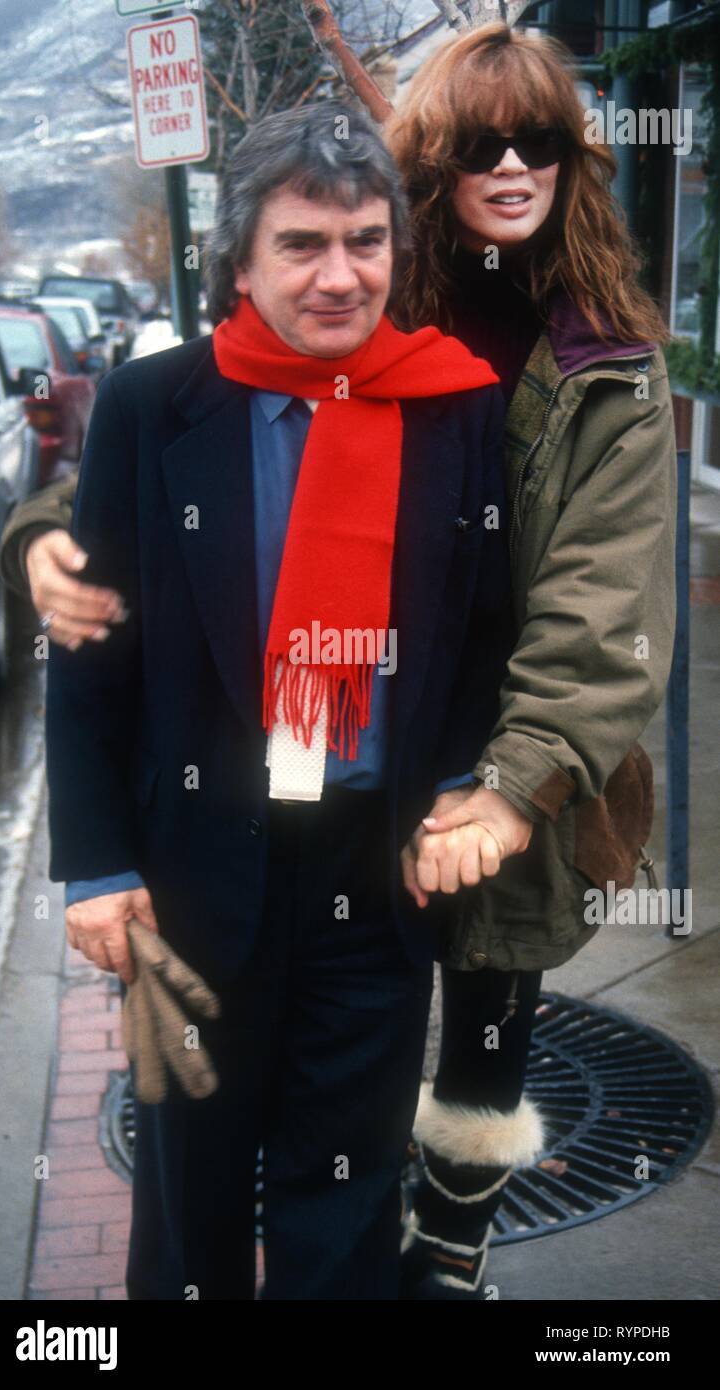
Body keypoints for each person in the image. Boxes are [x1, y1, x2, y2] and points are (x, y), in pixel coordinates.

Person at [40, 101, 515, 1301]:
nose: (340, 274)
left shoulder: (454, 405)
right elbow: (90, 652)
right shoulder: (153, 411)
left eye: (366, 240)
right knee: (191, 1195)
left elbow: (484, 625)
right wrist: (95, 867)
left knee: (345, 1199)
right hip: (193, 874)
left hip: (372, 869)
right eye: (302, 244)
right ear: (241, 260)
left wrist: (459, 783)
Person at [384, 21, 677, 1298]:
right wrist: (58, 543)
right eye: (477, 142)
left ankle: (450, 1256)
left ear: (572, 157)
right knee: (353, 1002)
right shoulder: (366, 305)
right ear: (431, 163)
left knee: (489, 1020)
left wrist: (518, 780)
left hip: (519, 753)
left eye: (540, 138)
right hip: (361, 736)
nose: (513, 164)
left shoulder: (611, 357)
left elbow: (605, 604)